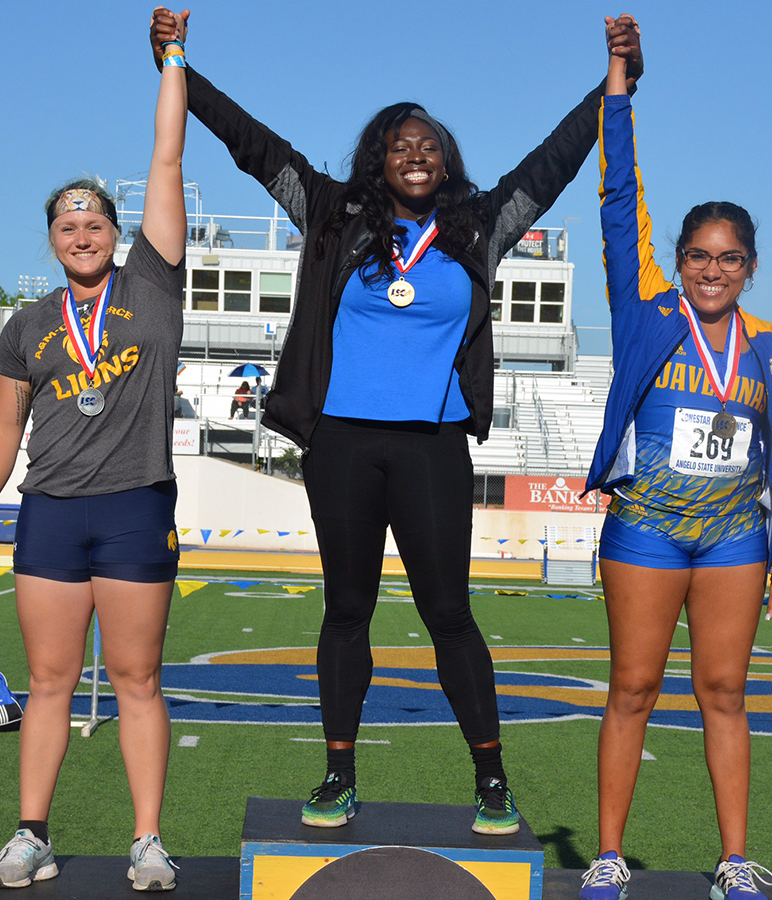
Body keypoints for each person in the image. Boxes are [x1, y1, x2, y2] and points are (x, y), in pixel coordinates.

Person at [150, 7, 640, 836]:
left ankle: (492, 778)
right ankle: (339, 773)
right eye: (400, 145)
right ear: (378, 157)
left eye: (431, 146)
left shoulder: (478, 227)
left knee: (450, 613)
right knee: (347, 610)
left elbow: (555, 161)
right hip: (341, 441)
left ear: (447, 161)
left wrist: (616, 80)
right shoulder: (332, 213)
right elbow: (252, 142)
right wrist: (175, 64)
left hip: (432, 445)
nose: (417, 155)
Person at [575, 21, 772, 900]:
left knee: (725, 693)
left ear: (750, 267)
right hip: (646, 529)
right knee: (631, 688)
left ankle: (735, 859)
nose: (713, 271)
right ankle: (607, 853)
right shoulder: (646, 312)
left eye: (730, 259)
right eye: (699, 257)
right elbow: (617, 196)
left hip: (735, 541)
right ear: (676, 262)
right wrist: (620, 84)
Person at [0, 18, 188, 891]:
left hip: (136, 504)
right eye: (67, 224)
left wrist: (172, 59)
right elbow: (2, 427)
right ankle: (29, 835)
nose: (82, 234)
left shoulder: (152, 288)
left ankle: (147, 840)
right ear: (50, 238)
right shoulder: (27, 324)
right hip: (50, 510)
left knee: (137, 678)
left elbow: (166, 160)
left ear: (116, 232)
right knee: (48, 681)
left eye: (94, 222)